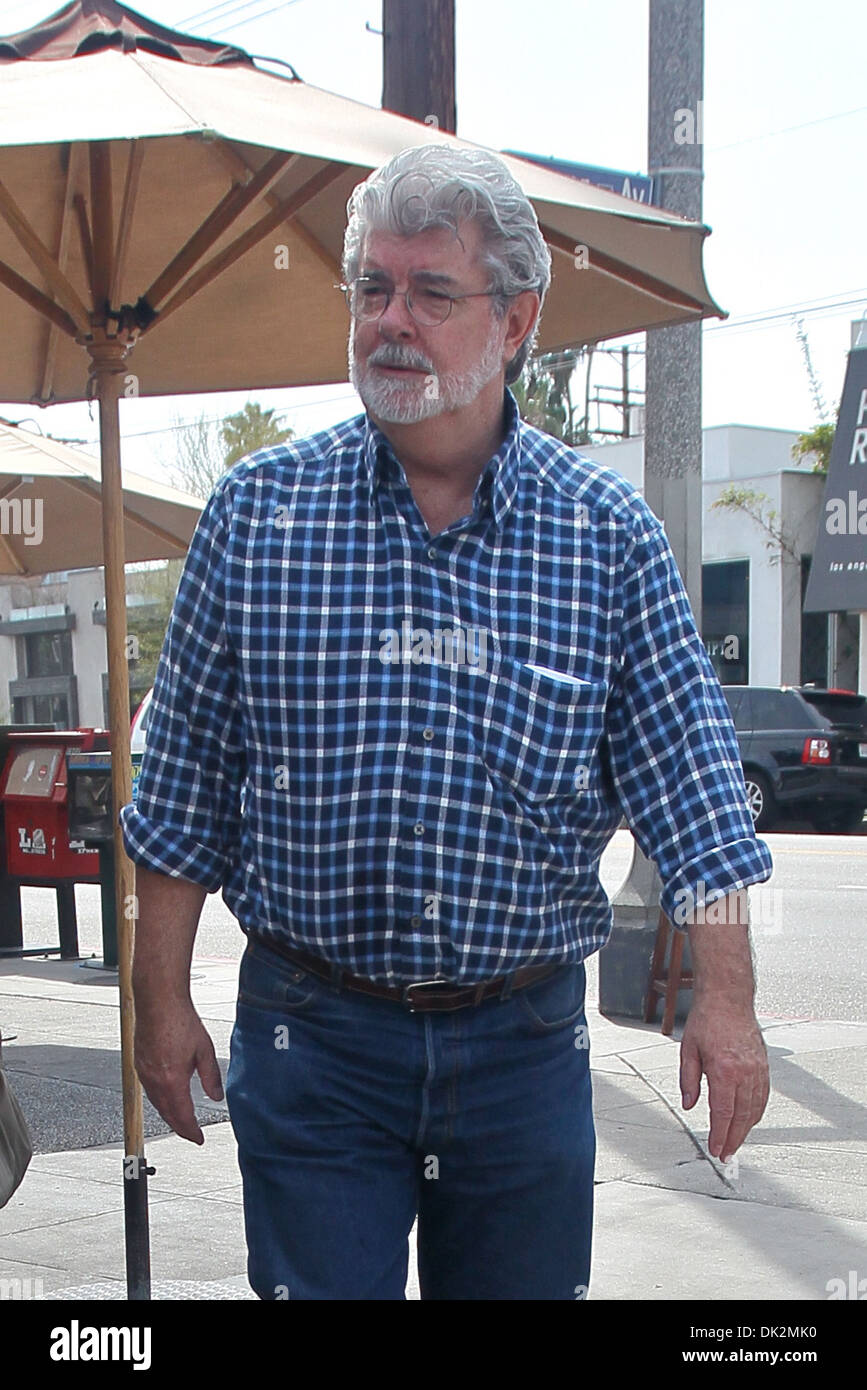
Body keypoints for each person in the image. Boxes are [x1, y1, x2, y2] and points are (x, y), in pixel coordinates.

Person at [121, 143, 773, 1301]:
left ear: (518, 320)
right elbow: (180, 794)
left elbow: (700, 799)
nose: (392, 320)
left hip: (520, 1051)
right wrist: (157, 999)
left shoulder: (605, 542)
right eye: (373, 287)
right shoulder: (258, 517)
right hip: (310, 1037)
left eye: (432, 292)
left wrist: (727, 1002)